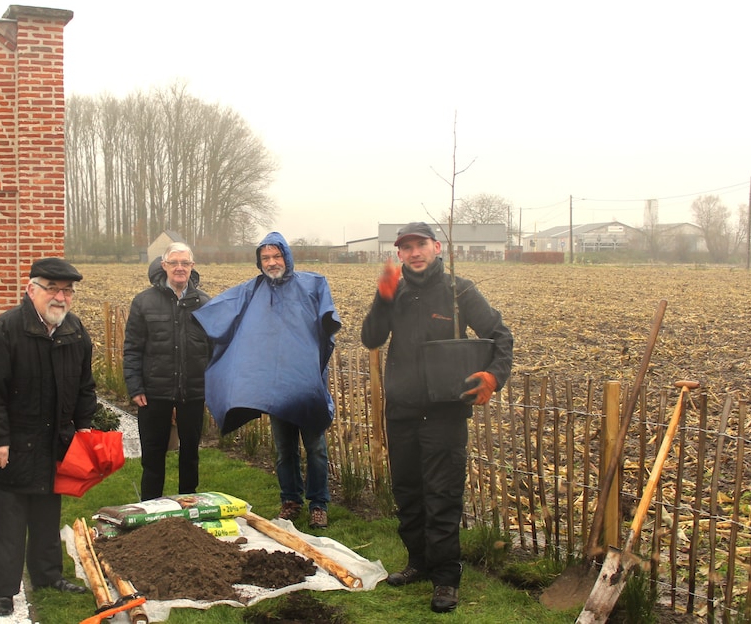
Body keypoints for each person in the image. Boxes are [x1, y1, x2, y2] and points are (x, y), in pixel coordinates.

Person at [360, 221, 513, 614]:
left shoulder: (459, 291)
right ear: (399, 254)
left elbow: (500, 335)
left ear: (437, 247)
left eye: (421, 245)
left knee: (443, 497)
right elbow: (371, 338)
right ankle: (418, 563)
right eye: (406, 247)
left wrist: (493, 376)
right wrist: (382, 297)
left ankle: (446, 578)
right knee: (408, 492)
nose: (414, 253)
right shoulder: (396, 294)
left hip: (445, 413)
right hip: (402, 411)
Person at [0, 257, 96, 618]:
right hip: (10, 445)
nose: (61, 297)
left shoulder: (74, 331)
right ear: (31, 291)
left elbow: (85, 386)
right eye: (53, 289)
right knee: (8, 522)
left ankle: (47, 576)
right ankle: (5, 590)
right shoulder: (6, 331)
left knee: (46, 515)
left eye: (67, 291)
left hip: (54, 443)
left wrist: (84, 427)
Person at [194, 232, 340, 530]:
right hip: (274, 389)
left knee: (316, 449)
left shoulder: (313, 285)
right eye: (266, 258)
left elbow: (329, 327)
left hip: (306, 386)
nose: (272, 263)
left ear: (287, 256)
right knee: (284, 449)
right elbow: (222, 312)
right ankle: (291, 500)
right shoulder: (252, 290)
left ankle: (318, 504)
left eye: (276, 256)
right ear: (259, 262)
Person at [123, 243, 211, 501]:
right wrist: (135, 386)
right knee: (153, 453)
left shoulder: (204, 303)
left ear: (192, 267)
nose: (180, 268)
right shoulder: (144, 302)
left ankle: (188, 502)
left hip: (193, 392)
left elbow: (214, 348)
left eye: (185, 263)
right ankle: (151, 505)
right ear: (164, 266)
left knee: (190, 453)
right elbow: (132, 348)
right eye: (174, 263)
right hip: (153, 392)